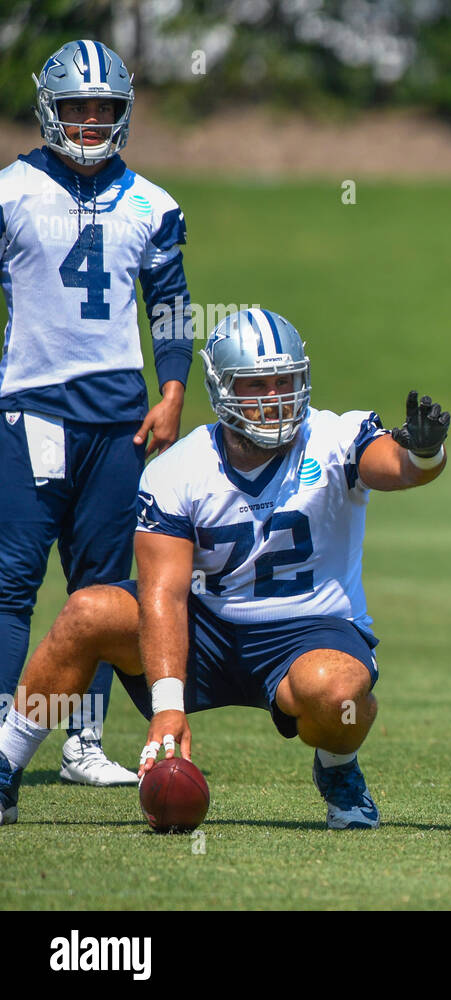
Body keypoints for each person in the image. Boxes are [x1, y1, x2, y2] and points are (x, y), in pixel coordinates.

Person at [0, 309, 451, 828]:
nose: (276, 397)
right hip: (206, 627)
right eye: (258, 386)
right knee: (87, 612)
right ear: (222, 389)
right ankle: (6, 763)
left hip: (309, 630)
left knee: (339, 690)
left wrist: (423, 451)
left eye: (287, 381)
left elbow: (394, 466)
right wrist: (169, 705)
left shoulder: (331, 439)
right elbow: (163, 596)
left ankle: (338, 771)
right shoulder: (178, 470)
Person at [0, 40, 196, 784]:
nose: (90, 120)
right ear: (49, 108)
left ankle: (83, 742)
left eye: (104, 109)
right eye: (78, 107)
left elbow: (171, 307)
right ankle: (3, 733)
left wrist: (173, 390)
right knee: (12, 582)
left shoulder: (153, 202)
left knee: (107, 591)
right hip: (32, 411)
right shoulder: (10, 191)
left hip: (118, 420)